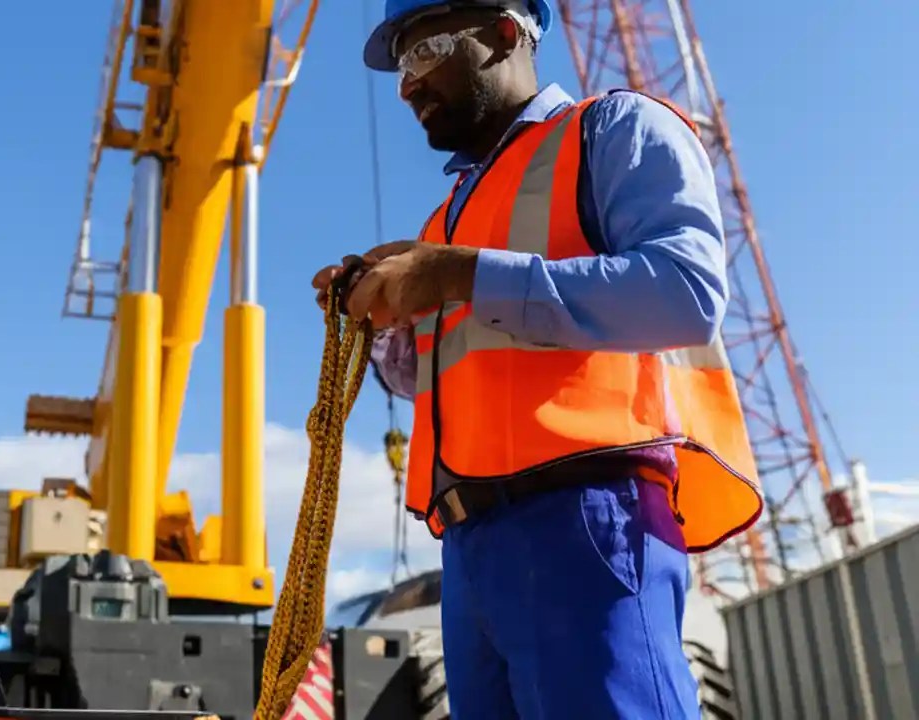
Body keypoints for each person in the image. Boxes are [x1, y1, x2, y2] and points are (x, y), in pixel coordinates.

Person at [311, 1, 765, 718]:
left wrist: (459, 274)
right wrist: (385, 328)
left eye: (423, 52)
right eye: (401, 63)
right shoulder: (447, 218)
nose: (406, 85)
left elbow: (686, 292)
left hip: (587, 518)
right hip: (470, 548)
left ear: (502, 33)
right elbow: (428, 377)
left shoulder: (612, 130)